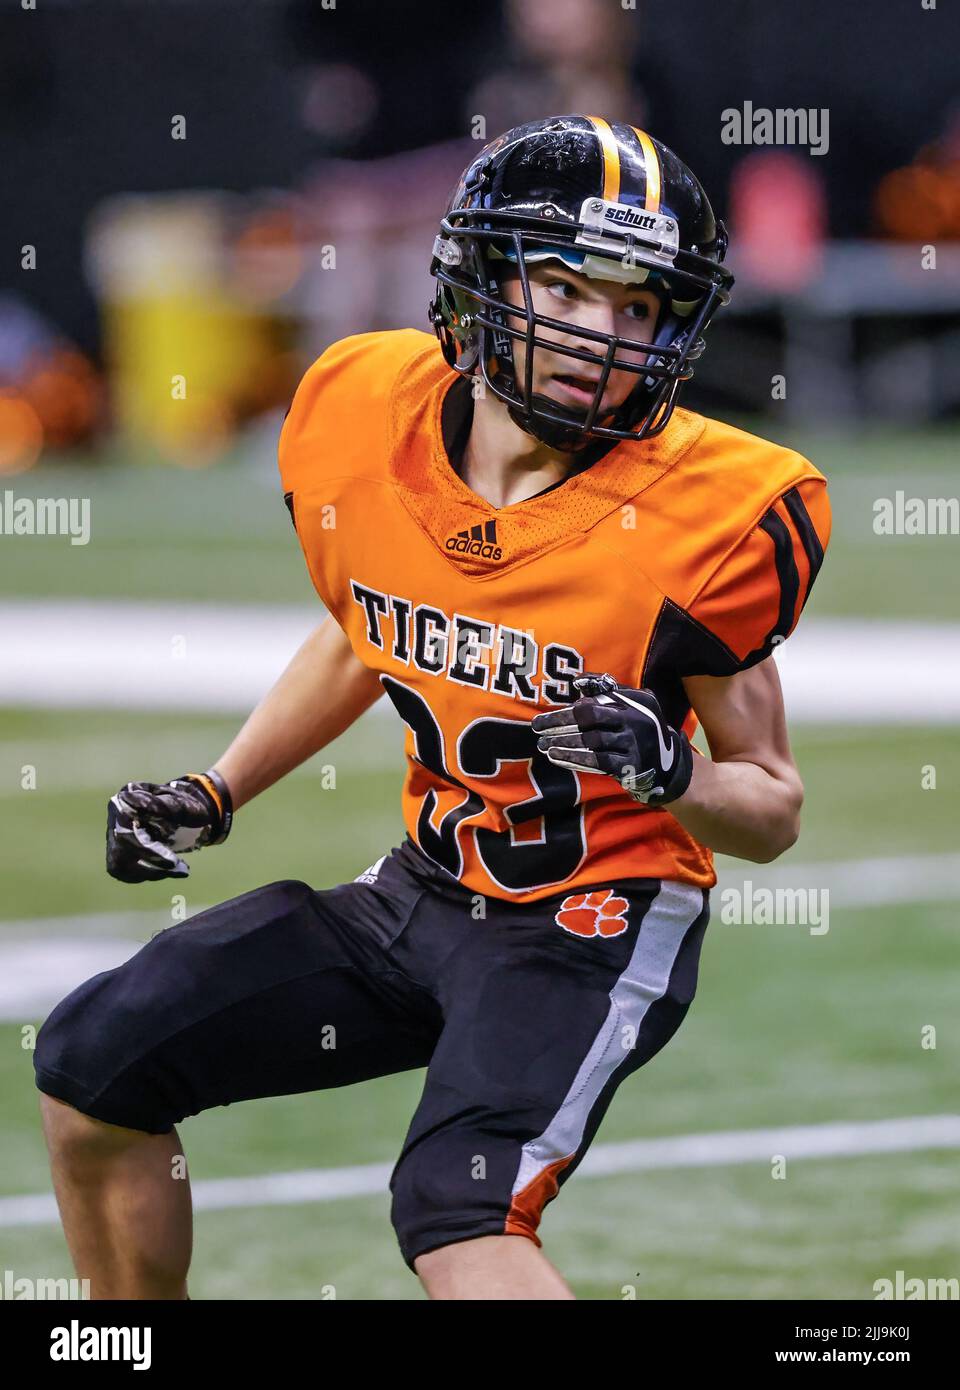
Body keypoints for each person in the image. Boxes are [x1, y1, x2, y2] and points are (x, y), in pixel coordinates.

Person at [34, 115, 830, 1301]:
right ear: (484, 277)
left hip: (589, 923)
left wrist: (672, 770)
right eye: (566, 286)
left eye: (638, 307)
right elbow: (371, 623)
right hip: (420, 887)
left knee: (458, 1209)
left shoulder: (709, 516)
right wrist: (219, 786)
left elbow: (772, 812)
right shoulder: (366, 409)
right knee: (94, 1061)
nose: (600, 336)